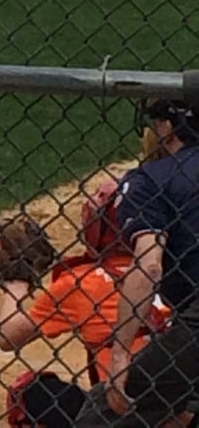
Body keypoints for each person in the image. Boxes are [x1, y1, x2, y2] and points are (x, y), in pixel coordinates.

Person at [0, 177, 177, 427]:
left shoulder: (83, 282)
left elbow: (8, 337)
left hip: (125, 413)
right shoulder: (179, 269)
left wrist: (15, 281)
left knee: (29, 394)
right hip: (183, 404)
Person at [76, 99, 199, 427]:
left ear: (169, 127)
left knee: (103, 413)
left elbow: (150, 265)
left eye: (157, 120)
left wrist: (120, 356)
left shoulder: (151, 178)